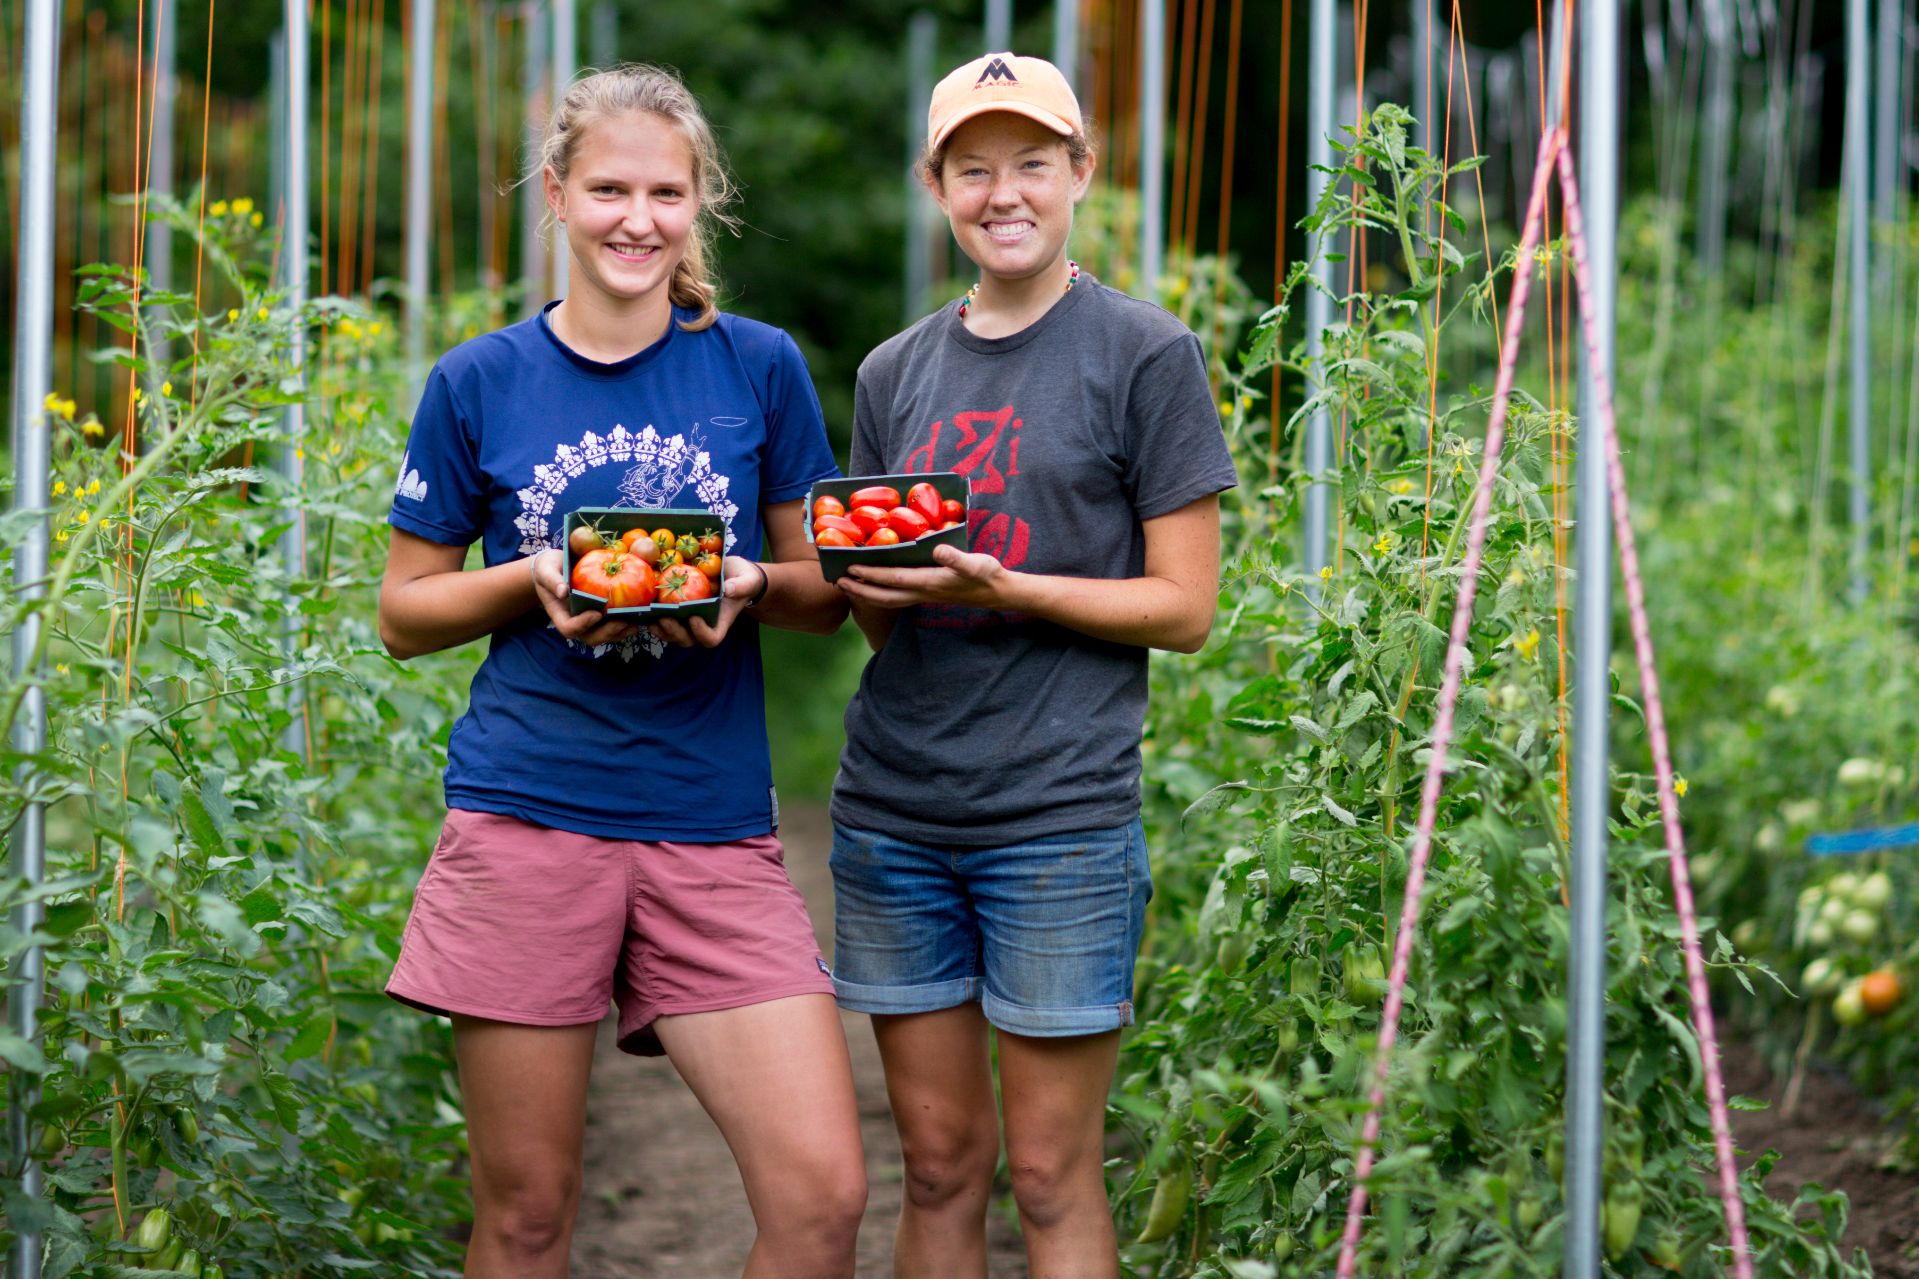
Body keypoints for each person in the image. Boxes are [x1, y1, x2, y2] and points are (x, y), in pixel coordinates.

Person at [376, 63, 865, 1279]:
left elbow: (821, 595)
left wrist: (747, 584)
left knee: (822, 1197)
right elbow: (405, 612)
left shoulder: (757, 366)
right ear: (557, 193)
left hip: (708, 828)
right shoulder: (478, 382)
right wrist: (530, 578)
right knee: (529, 1216)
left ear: (700, 202)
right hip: (526, 822)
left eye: (663, 191)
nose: (635, 217)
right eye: (607, 189)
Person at [827, 51, 1238, 1279]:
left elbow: (1184, 606)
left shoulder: (1143, 354)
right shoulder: (892, 373)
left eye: (1030, 165)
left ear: (1079, 175)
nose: (1002, 193)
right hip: (894, 813)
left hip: (1056, 818)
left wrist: (1007, 586)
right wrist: (879, 582)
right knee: (940, 1166)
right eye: (971, 168)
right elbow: (877, 610)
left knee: (1053, 1175)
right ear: (936, 185)